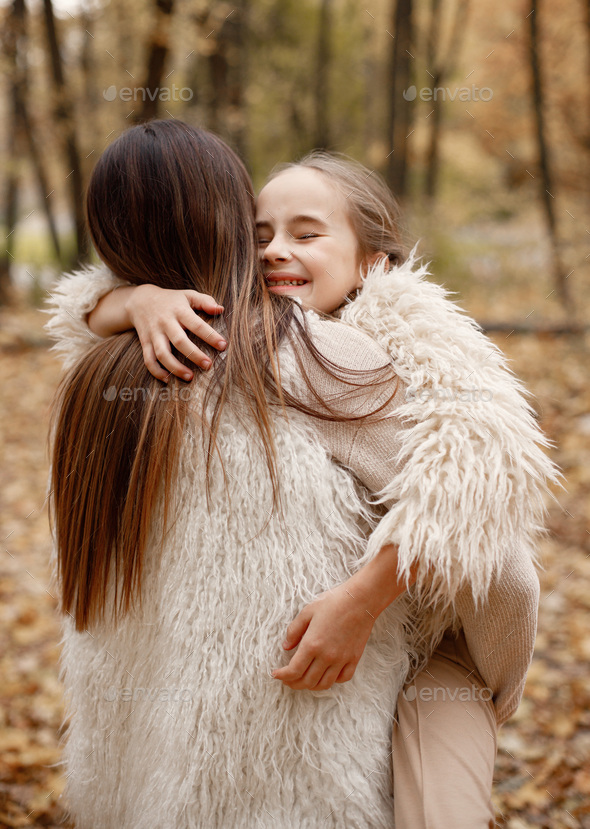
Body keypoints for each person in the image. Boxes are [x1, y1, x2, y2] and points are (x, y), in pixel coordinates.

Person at [46, 132, 559, 828]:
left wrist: (402, 620)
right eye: (259, 233)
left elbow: (485, 479)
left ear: (372, 261)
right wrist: (136, 299)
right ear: (227, 227)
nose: (275, 250)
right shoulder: (254, 342)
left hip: (438, 657)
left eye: (307, 233)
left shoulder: (99, 370)